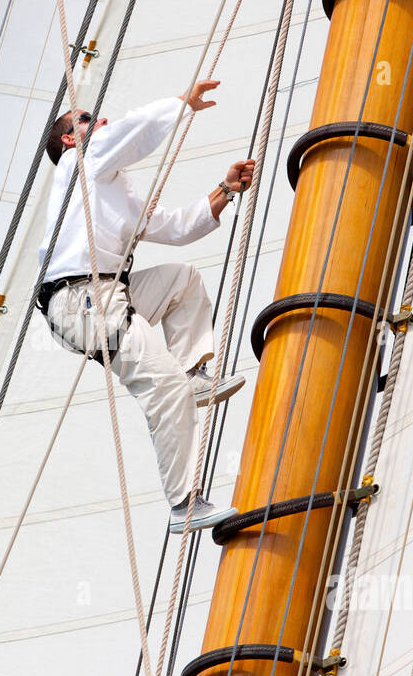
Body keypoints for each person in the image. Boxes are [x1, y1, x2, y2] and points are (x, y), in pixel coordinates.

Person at [36, 80, 254, 533]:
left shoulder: (112, 191)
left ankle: (193, 375)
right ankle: (183, 505)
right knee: (163, 387)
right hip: (82, 300)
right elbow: (135, 130)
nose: (100, 120)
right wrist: (182, 103)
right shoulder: (82, 163)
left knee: (182, 280)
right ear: (71, 140)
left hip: (104, 295)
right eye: (87, 119)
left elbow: (177, 228)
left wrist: (225, 190)